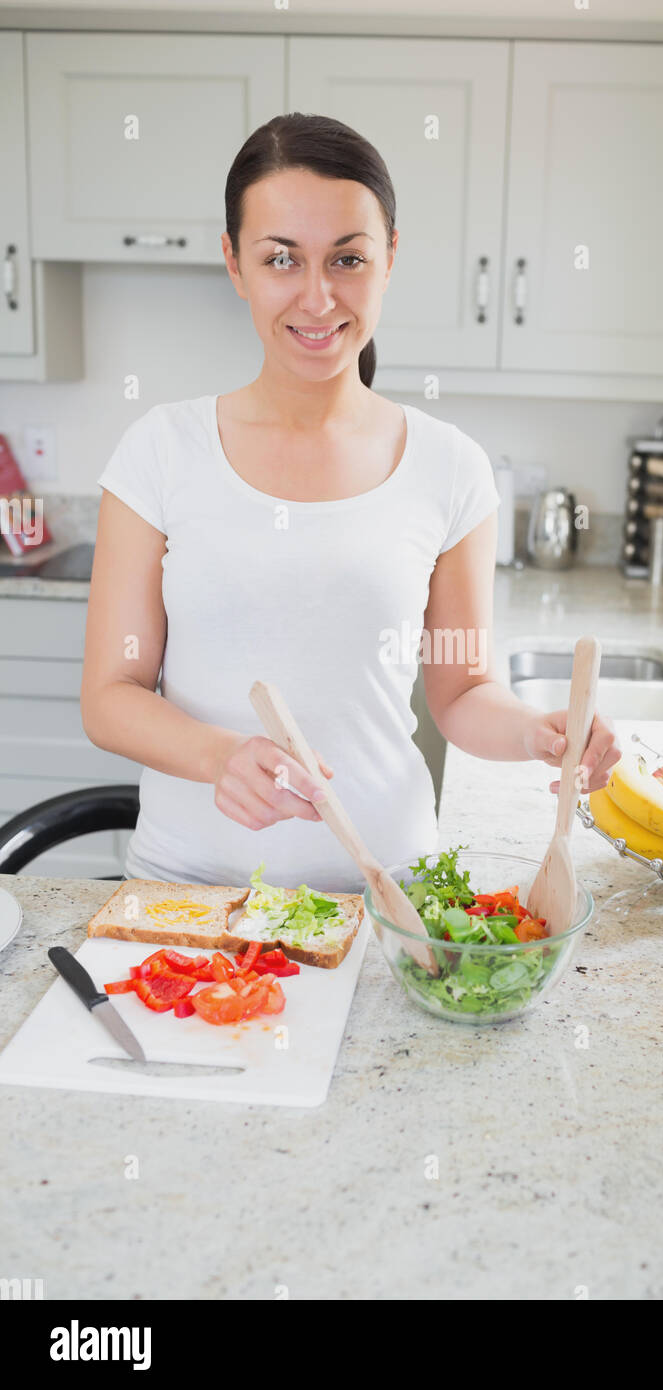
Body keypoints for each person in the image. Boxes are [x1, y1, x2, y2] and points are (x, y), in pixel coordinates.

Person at [81, 113, 619, 890]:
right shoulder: (159, 452)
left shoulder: (451, 467)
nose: (318, 296)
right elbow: (110, 695)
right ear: (234, 263)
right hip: (189, 894)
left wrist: (538, 730)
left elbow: (463, 691)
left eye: (348, 259)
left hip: (386, 895)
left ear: (390, 257)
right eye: (281, 259)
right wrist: (220, 756)